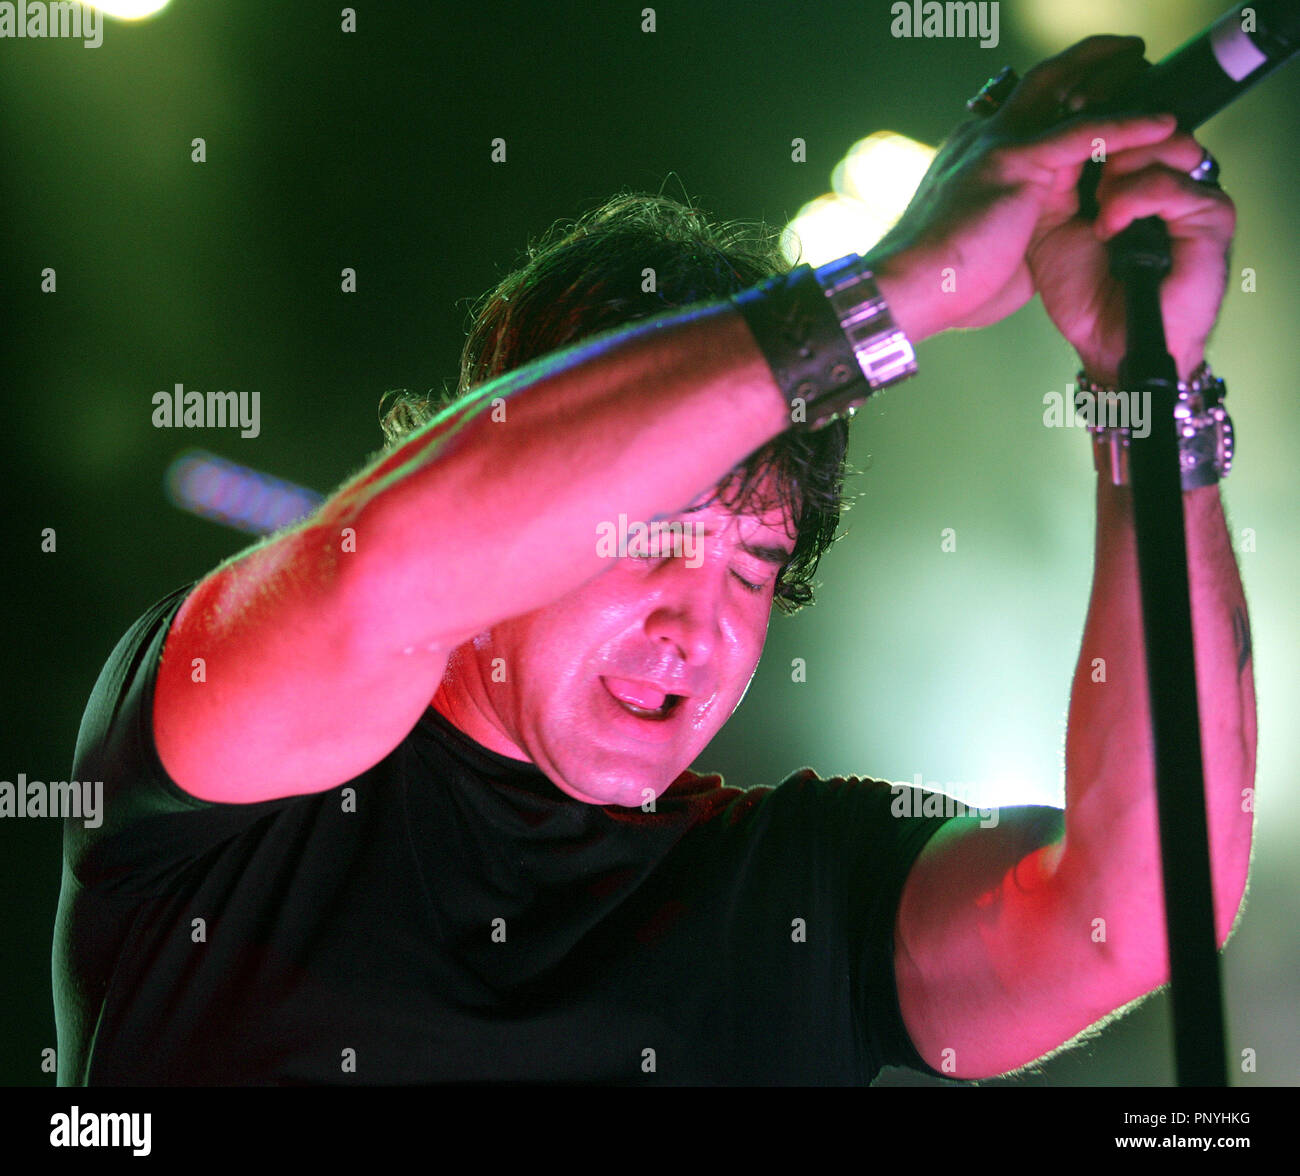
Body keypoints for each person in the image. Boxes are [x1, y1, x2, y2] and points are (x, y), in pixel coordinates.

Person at [55, 36, 1255, 1085]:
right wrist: (892, 290)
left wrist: (1143, 393)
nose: (698, 627)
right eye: (653, 536)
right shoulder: (256, 770)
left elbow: (1143, 908)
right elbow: (379, 581)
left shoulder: (794, 890)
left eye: (753, 564)